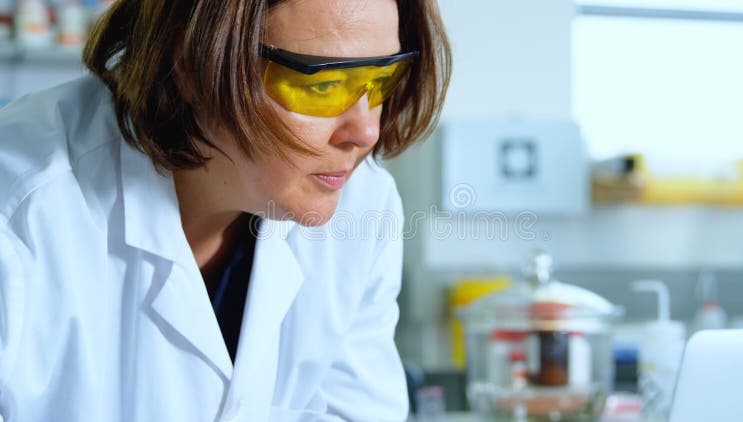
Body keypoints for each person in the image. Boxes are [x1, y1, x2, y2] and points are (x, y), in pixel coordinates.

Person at [0, 0, 451, 420]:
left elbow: (352, 410)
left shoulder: (363, 204)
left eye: (383, 79)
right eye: (324, 85)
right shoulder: (20, 216)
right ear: (191, 63)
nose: (367, 131)